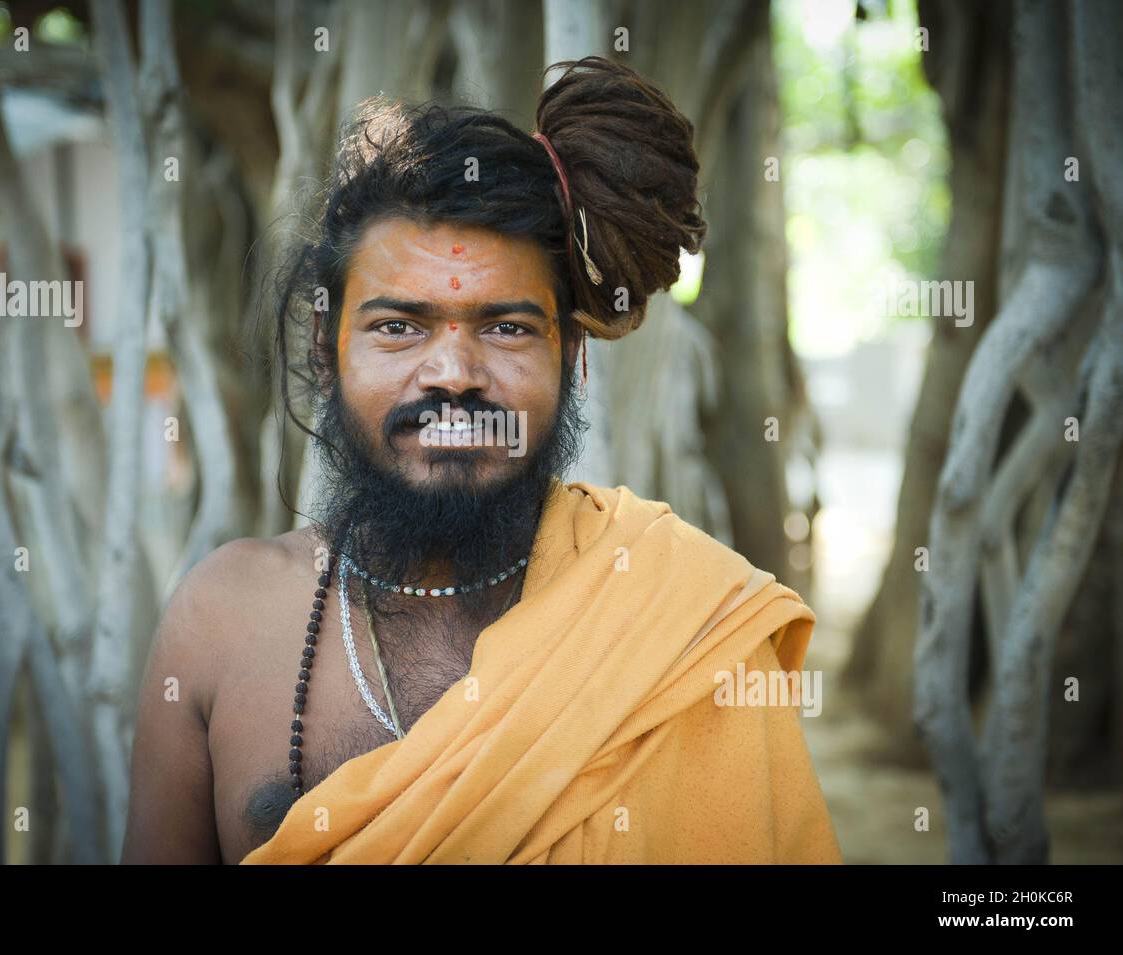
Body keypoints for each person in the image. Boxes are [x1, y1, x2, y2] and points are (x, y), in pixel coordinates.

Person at [121, 56, 842, 864]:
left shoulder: (687, 625)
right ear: (327, 355)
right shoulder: (219, 622)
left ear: (573, 359)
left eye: (506, 327)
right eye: (399, 326)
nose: (454, 373)